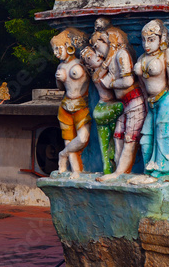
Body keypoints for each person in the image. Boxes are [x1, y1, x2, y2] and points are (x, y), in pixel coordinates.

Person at [91, 18, 145, 181]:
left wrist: (112, 81)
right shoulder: (113, 57)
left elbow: (128, 81)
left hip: (134, 101)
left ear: (112, 42)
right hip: (125, 103)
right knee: (118, 136)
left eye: (103, 42)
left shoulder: (122, 54)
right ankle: (120, 171)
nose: (98, 50)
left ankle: (119, 173)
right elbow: (99, 78)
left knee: (129, 139)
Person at [133, 19, 169, 182]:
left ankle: (160, 172)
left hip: (166, 100)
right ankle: (149, 171)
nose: (146, 44)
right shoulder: (142, 57)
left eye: (151, 39)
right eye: (144, 39)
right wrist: (147, 103)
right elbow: (142, 84)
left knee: (164, 136)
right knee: (146, 139)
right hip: (152, 103)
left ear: (161, 39)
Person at [51, 28, 91, 175]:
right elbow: (61, 88)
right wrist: (60, 80)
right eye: (54, 50)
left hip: (81, 104)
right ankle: (75, 170)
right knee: (68, 139)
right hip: (66, 105)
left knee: (82, 138)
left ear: (68, 46)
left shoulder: (82, 63)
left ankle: (62, 154)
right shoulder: (61, 66)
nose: (56, 53)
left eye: (58, 49)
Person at [80, 45, 123, 175]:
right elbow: (107, 65)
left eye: (95, 54)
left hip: (107, 109)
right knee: (106, 145)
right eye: (89, 57)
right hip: (105, 108)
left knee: (110, 142)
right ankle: (109, 169)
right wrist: (114, 49)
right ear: (88, 65)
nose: (97, 56)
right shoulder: (97, 74)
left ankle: (112, 168)